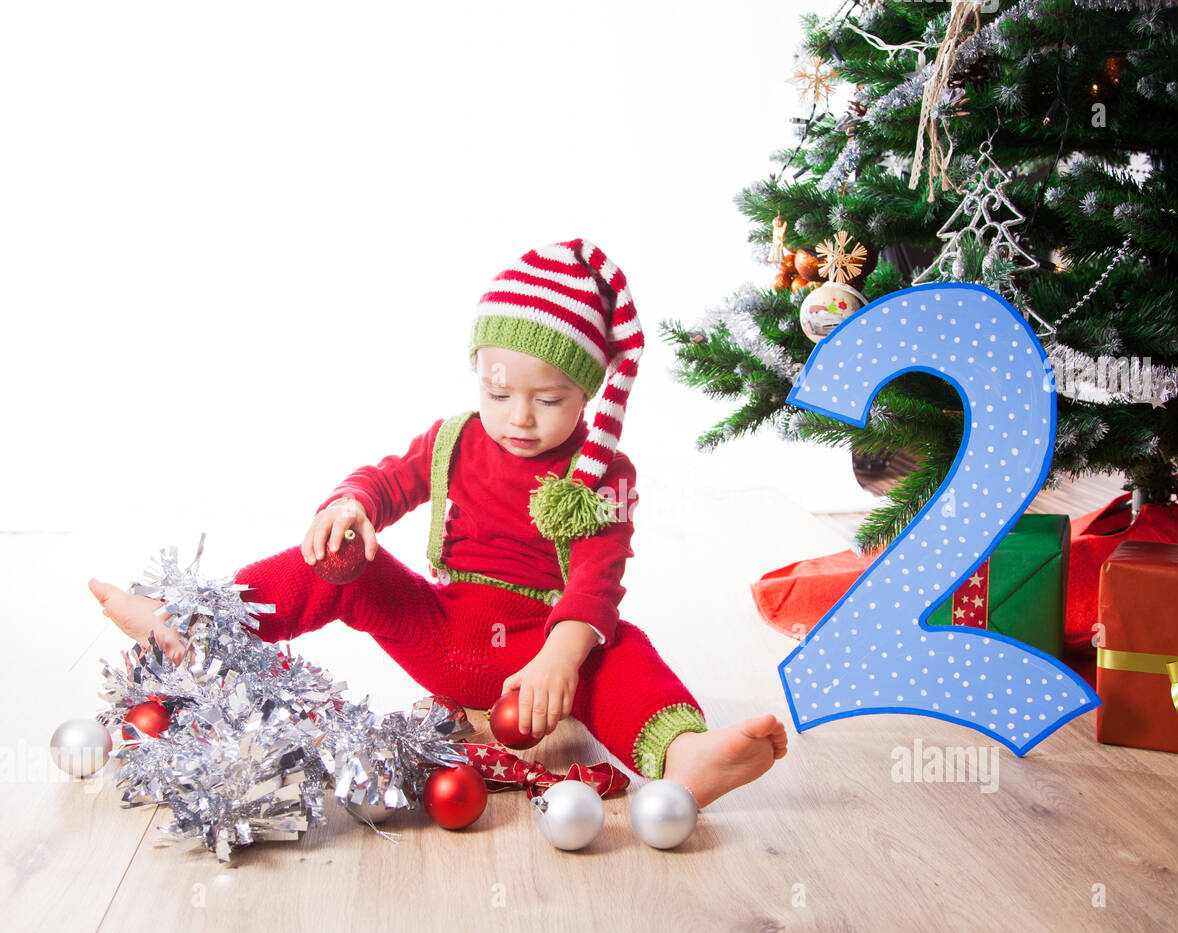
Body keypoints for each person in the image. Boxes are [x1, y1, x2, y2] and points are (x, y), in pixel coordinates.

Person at [89, 239, 787, 808]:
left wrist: (559, 659)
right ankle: (197, 626)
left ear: (588, 392)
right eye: (498, 391)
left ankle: (683, 755)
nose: (519, 416)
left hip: (542, 661)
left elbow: (596, 585)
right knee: (342, 563)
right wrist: (351, 506)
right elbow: (387, 479)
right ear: (477, 371)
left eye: (549, 399)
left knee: (620, 649)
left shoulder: (603, 475)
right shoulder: (454, 441)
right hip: (443, 632)